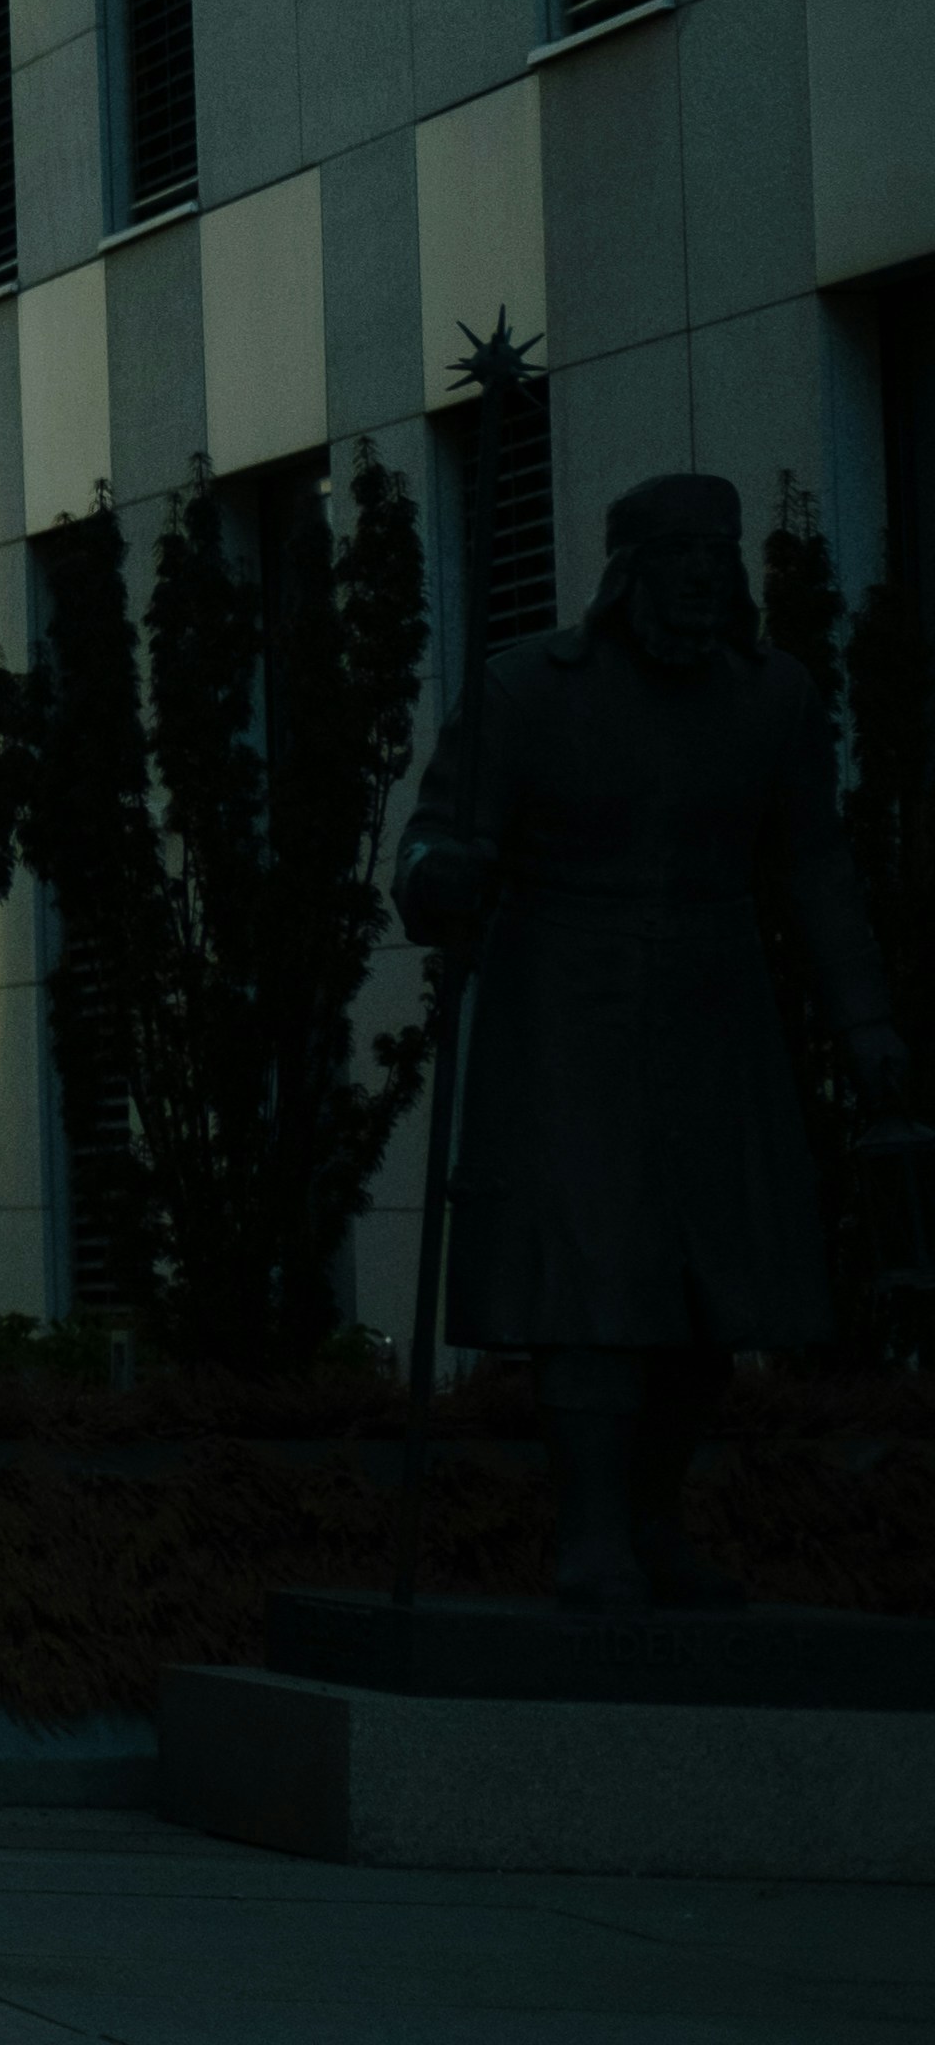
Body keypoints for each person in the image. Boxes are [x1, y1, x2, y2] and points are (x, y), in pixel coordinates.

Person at [400, 471, 909, 1605]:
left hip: (719, 1012)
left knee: (712, 1283)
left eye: (715, 563)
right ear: (625, 578)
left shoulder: (771, 697)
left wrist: (864, 1015)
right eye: (676, 563)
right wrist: (443, 880)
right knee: (592, 1279)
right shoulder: (528, 689)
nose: (699, 583)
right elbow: (435, 838)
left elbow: (817, 864)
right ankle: (590, 1532)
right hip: (567, 1014)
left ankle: (657, 1520)